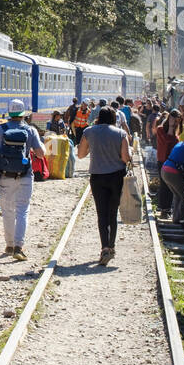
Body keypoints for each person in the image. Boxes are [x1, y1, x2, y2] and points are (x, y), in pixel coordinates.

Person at [0, 99, 45, 261]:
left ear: (9, 113)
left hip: (4, 176)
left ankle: (9, 245)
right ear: (23, 113)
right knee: (22, 211)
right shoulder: (30, 130)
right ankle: (19, 247)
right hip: (25, 175)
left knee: (7, 211)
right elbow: (41, 153)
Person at [77, 106, 131, 265]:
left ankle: (104, 248)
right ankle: (111, 247)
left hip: (97, 177)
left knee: (101, 214)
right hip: (116, 177)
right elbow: (125, 158)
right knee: (112, 213)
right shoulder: (121, 133)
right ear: (114, 118)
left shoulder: (89, 131)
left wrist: (93, 149)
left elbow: (80, 154)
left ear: (99, 117)